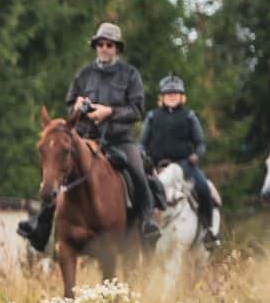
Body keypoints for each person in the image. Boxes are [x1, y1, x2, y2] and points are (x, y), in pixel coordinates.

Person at [18, 21, 160, 250]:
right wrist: (78, 106)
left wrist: (109, 112)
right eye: (101, 44)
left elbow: (137, 110)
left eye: (110, 45)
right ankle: (41, 226)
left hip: (120, 139)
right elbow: (70, 105)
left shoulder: (130, 75)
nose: (105, 48)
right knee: (58, 168)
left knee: (137, 171)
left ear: (117, 49)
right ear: (96, 46)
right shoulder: (84, 74)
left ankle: (146, 222)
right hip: (85, 138)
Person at [141, 74, 219, 249]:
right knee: (139, 189)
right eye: (168, 93)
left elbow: (200, 144)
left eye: (175, 93)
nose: (172, 96)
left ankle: (208, 231)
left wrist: (196, 156)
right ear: (161, 96)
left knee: (204, 189)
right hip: (156, 166)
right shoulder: (152, 116)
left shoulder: (189, 116)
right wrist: (142, 155)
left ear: (182, 96)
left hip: (185, 165)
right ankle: (145, 225)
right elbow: (142, 143)